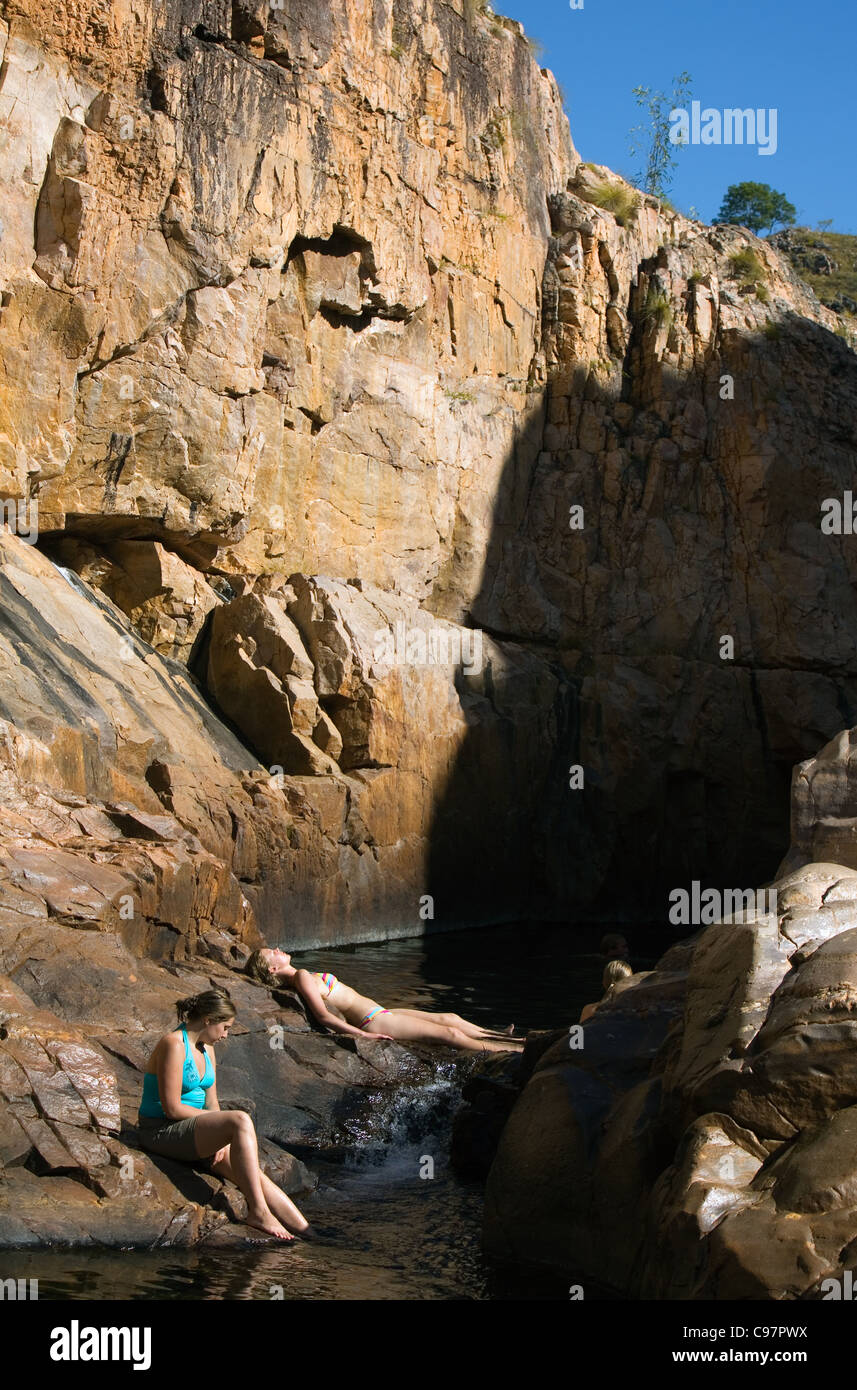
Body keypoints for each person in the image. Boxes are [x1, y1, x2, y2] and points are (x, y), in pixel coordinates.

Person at [137, 987, 308, 1241]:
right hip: (161, 1130)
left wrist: (218, 1137)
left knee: (253, 1175)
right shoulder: (173, 1044)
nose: (226, 1035)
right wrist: (216, 1126)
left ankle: (309, 1233)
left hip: (193, 1130)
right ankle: (259, 1212)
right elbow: (172, 1108)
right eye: (225, 1027)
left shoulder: (206, 1047)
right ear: (208, 1020)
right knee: (239, 1119)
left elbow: (212, 1101)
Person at [245, 948, 524, 1053]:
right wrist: (364, 1037)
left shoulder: (303, 976)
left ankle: (501, 1036)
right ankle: (506, 1052)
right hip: (373, 1021)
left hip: (380, 1010)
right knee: (449, 1033)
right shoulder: (303, 977)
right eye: (273, 952)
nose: (279, 949)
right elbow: (324, 1017)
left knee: (449, 1018)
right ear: (272, 969)